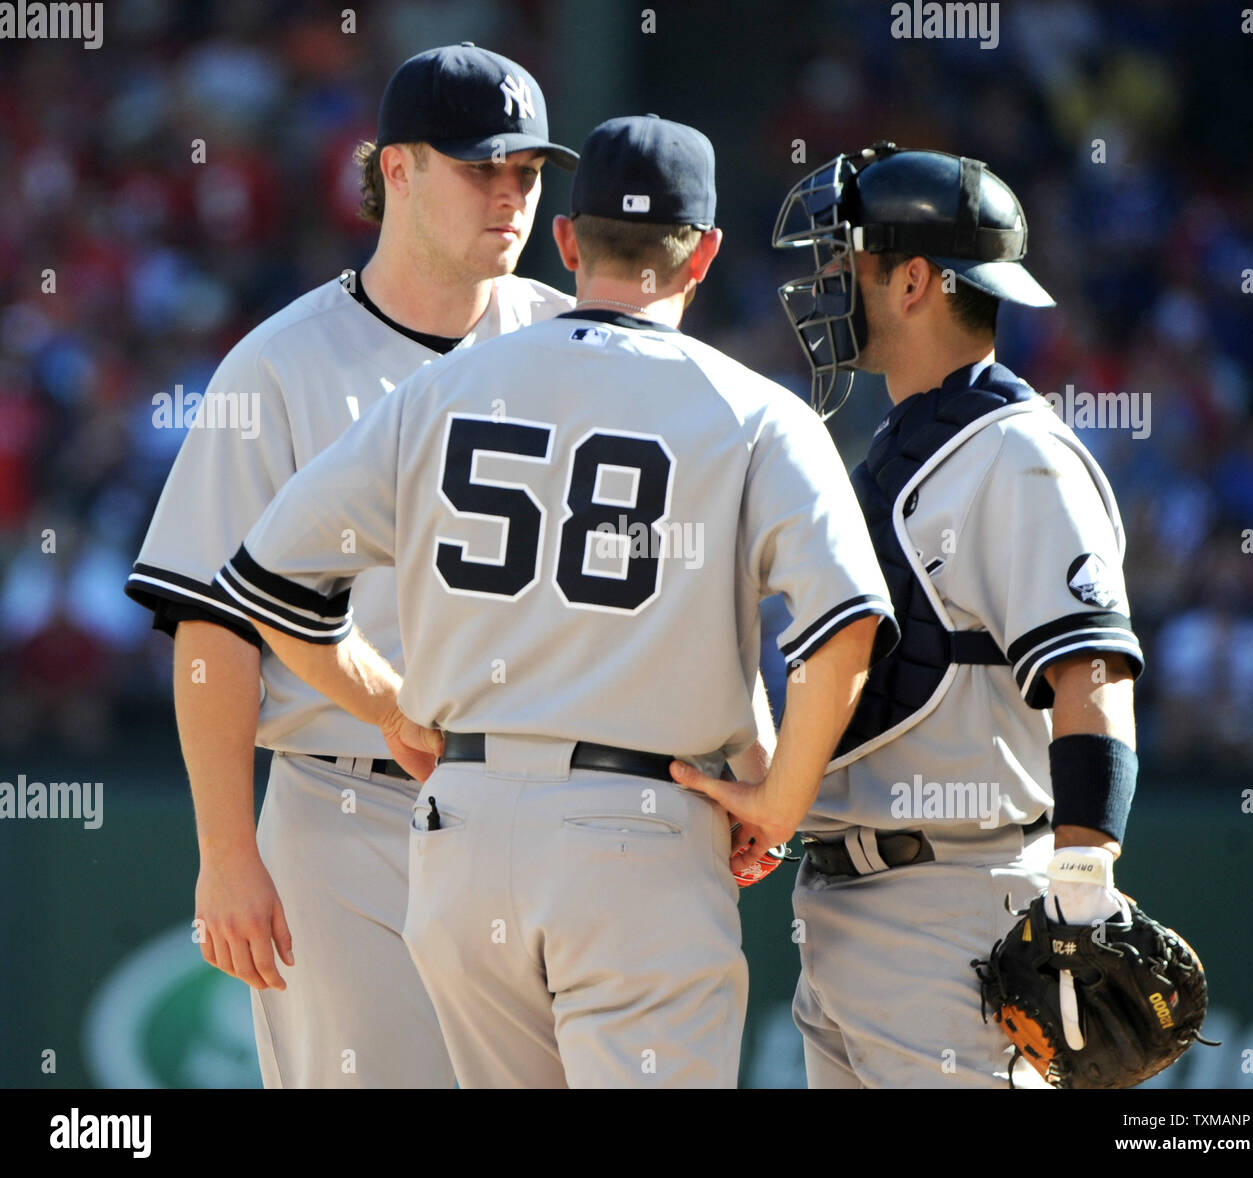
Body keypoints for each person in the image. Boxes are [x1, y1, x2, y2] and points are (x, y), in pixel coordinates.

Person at [207, 114, 898, 1088]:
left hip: (461, 834)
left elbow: (266, 584)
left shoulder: (445, 388)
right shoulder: (756, 412)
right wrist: (777, 800)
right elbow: (845, 628)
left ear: (568, 242)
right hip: (639, 833)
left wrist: (392, 709)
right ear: (704, 252)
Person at [123, 43, 578, 1089]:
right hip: (349, 808)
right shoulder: (281, 363)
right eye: (481, 166)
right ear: (397, 170)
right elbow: (213, 627)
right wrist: (225, 854)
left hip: (544, 810)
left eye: (526, 170)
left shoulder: (573, 344)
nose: (509, 193)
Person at [680, 142, 1145, 1088]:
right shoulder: (905, 445)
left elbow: (1092, 677)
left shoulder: (1019, 454)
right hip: (851, 909)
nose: (829, 283)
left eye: (849, 259)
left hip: (954, 911)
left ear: (914, 281)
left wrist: (1083, 887)